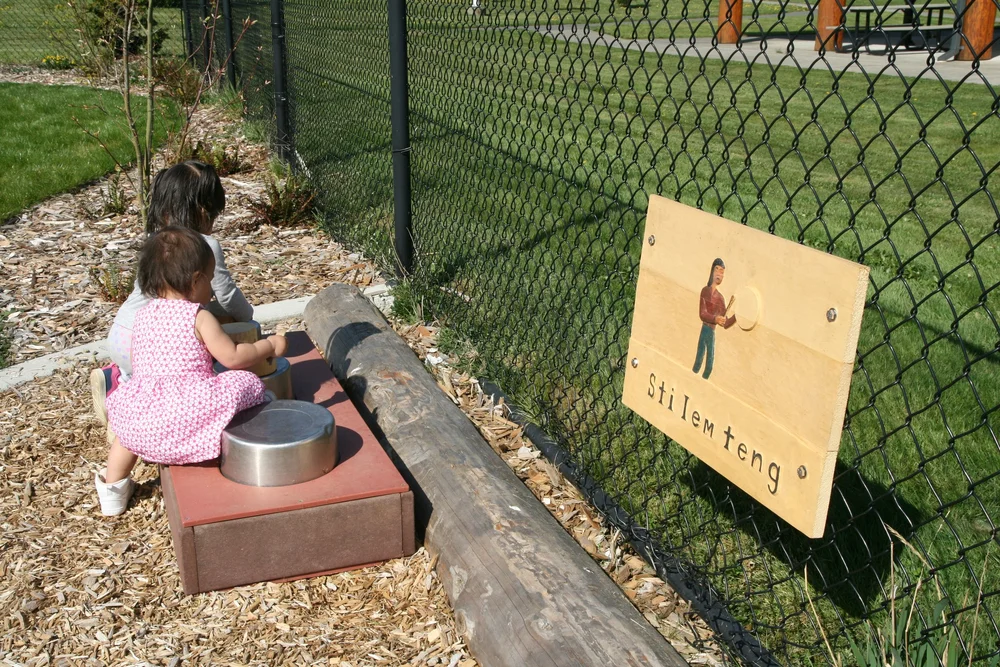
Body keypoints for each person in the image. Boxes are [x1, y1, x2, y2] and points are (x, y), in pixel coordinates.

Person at [95, 227, 286, 516]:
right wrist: (268, 346)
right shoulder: (199, 316)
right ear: (196, 281)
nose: (210, 288)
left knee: (124, 436)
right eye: (209, 279)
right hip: (187, 413)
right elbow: (233, 358)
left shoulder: (144, 316)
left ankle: (112, 492)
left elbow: (143, 365)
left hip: (144, 421)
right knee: (244, 382)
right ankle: (261, 415)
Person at [90, 161, 255, 424]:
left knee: (144, 380)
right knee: (184, 382)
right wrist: (247, 318)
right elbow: (225, 294)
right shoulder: (205, 245)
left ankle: (117, 379)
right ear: (204, 210)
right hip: (150, 348)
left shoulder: (158, 241)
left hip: (123, 333)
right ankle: (129, 416)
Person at [692, 258, 736, 380]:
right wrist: (715, 318)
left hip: (711, 332)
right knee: (698, 360)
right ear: (712, 271)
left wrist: (736, 317)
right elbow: (702, 314)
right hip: (704, 329)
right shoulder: (705, 291)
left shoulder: (720, 298)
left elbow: (725, 323)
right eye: (717, 270)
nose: (719, 274)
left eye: (722, 272)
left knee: (709, 365)